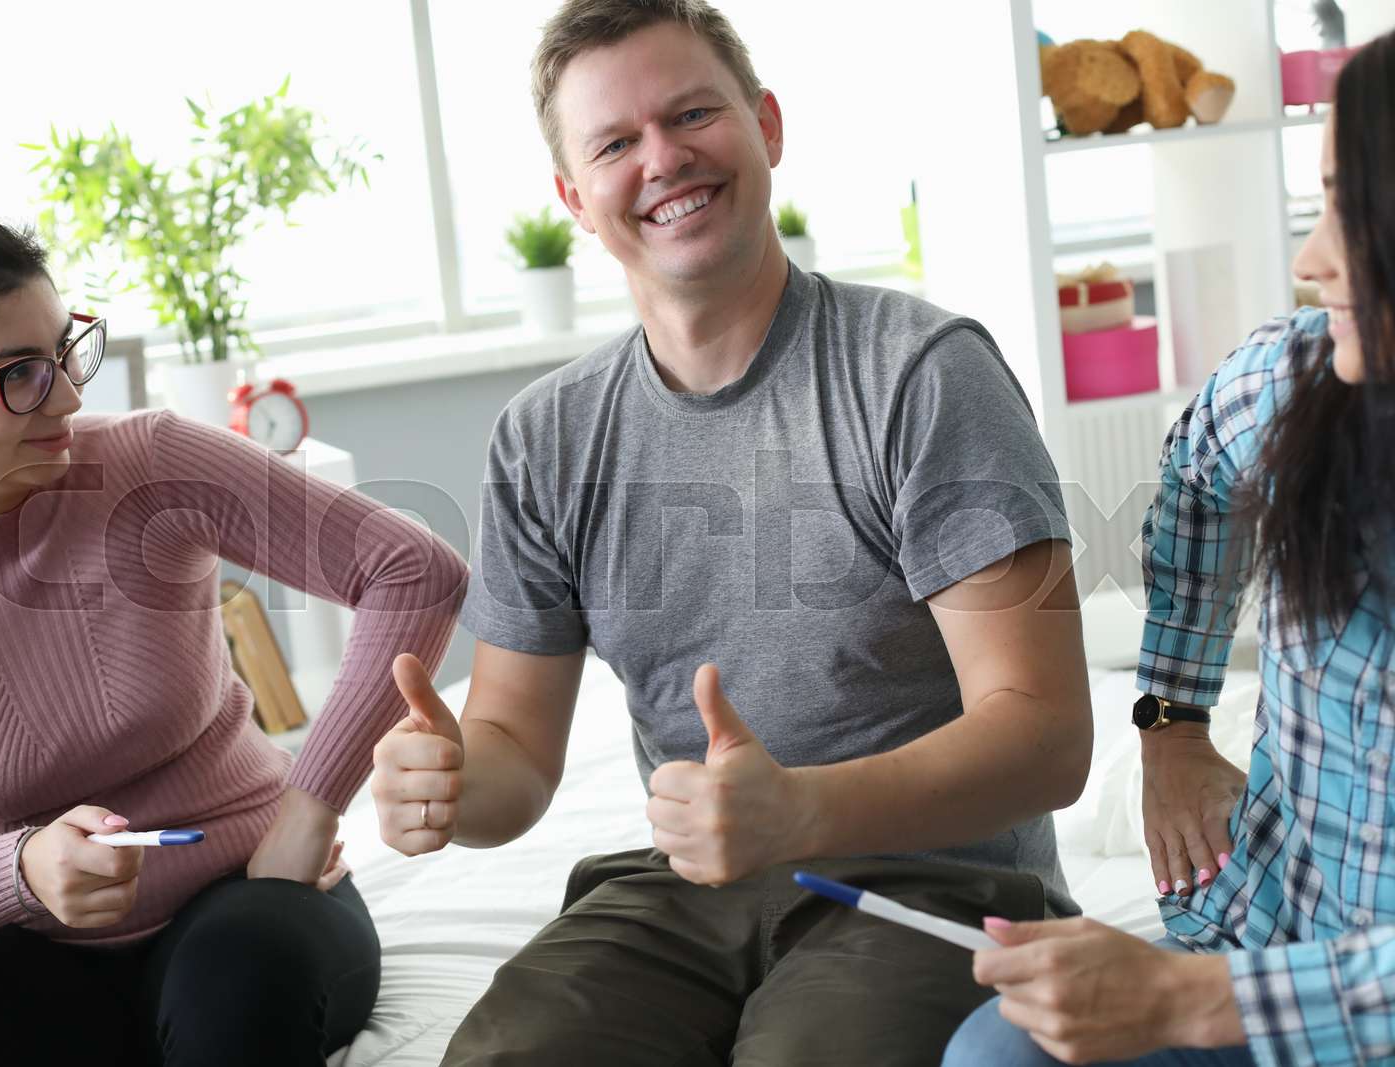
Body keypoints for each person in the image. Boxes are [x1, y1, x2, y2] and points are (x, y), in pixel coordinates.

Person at [368, 2, 1094, 1062]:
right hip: (685, 887)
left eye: (692, 113)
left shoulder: (922, 374)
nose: (663, 159)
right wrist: (446, 785)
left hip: (936, 882)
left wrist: (799, 811)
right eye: (616, 143)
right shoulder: (545, 437)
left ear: (766, 126)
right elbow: (514, 752)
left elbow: (1046, 733)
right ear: (575, 197)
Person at [0, 207, 468, 1065]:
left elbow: (415, 568)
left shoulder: (150, 462)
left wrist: (309, 806)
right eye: (18, 374)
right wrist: (23, 867)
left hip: (244, 903)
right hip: (29, 954)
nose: (70, 397)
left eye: (66, 352)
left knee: (239, 975)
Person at [943, 28, 1395, 1067]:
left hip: (1308, 1004)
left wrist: (1191, 1000)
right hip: (1281, 947)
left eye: (1350, 208)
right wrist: (1170, 721)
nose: (1308, 256)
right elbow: (1193, 475)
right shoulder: (1296, 378)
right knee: (993, 1053)